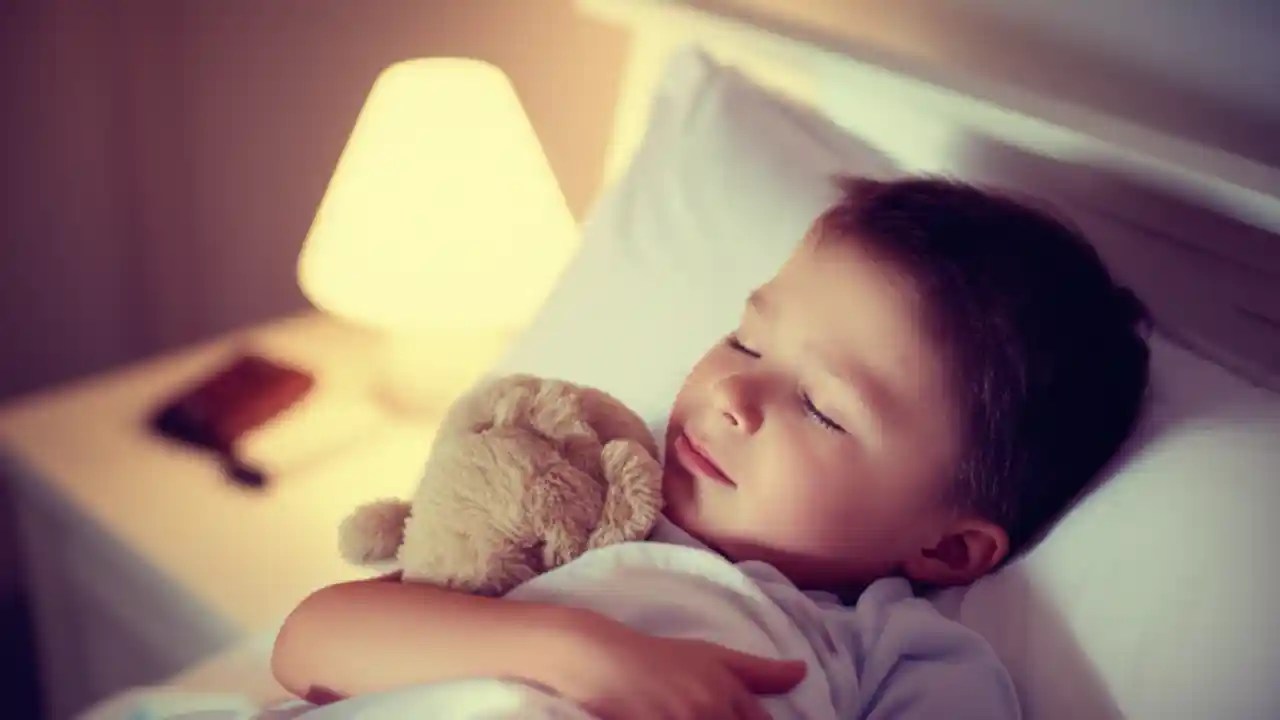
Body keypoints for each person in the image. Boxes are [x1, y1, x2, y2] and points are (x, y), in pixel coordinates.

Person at [270, 176, 1150, 719]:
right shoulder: (591, 514)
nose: (732, 395)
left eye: (823, 408)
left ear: (948, 548)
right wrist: (572, 653)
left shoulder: (895, 653)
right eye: (745, 341)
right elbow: (309, 645)